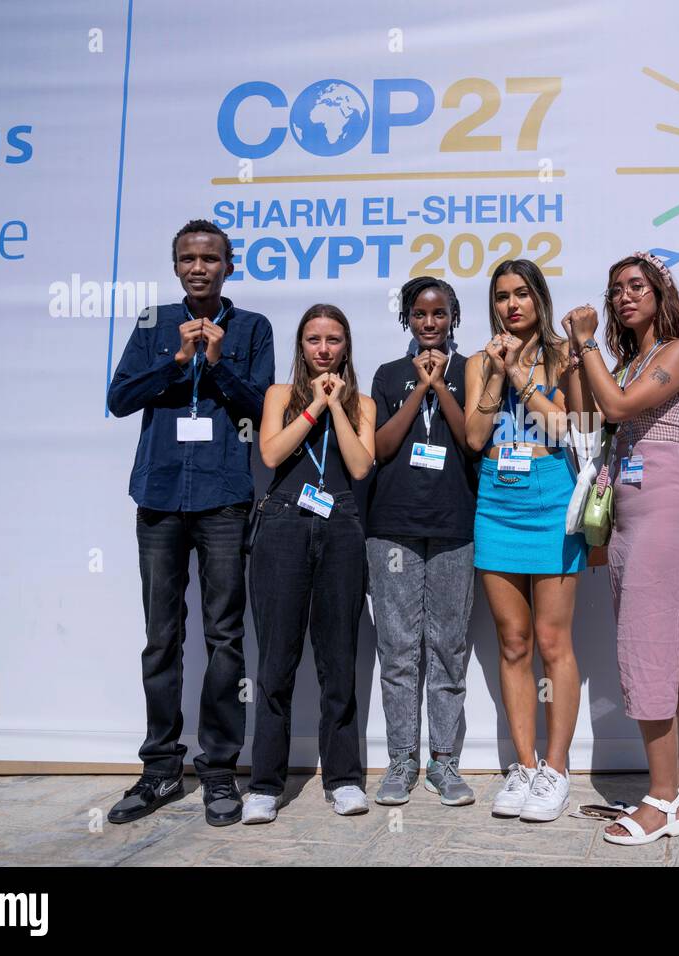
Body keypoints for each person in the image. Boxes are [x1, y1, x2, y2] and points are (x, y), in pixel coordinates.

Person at [106, 219, 274, 827]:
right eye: (187, 259)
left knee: (226, 636)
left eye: (209, 258)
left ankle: (220, 771)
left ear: (229, 265)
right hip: (158, 496)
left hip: (225, 499)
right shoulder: (153, 323)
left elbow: (263, 408)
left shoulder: (253, 328)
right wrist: (178, 363)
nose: (198, 267)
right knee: (162, 636)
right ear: (176, 266)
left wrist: (218, 362)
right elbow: (119, 398)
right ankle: (158, 770)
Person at [564, 251, 679, 845]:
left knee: (650, 646)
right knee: (643, 646)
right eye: (616, 287)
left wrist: (590, 344)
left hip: (665, 509)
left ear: (660, 292)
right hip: (624, 511)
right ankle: (666, 791)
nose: (624, 295)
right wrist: (577, 355)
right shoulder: (626, 360)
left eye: (636, 285)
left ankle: (665, 798)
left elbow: (619, 408)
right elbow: (590, 415)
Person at [240, 305, 375, 824]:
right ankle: (265, 786)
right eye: (314, 339)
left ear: (346, 347)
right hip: (282, 526)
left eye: (334, 340)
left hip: (340, 525)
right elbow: (272, 455)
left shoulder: (361, 402)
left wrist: (337, 405)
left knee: (338, 660)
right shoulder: (279, 395)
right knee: (276, 660)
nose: (323, 348)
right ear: (301, 346)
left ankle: (343, 779)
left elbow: (360, 465)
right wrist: (314, 407)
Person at [464, 258, 587, 823]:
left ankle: (557, 769)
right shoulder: (477, 360)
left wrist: (522, 378)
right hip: (496, 498)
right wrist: (495, 372)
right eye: (501, 296)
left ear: (539, 299)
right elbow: (473, 434)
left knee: (551, 640)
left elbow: (566, 426)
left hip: (552, 495)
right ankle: (524, 765)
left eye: (521, 294)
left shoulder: (564, 357)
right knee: (512, 641)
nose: (511, 305)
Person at [366, 277, 479, 807]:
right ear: (407, 319)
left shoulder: (472, 370)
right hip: (392, 525)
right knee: (399, 650)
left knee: (448, 647)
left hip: (455, 524)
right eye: (419, 314)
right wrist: (417, 388)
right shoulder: (389, 375)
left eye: (438, 314)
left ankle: (445, 762)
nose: (429, 323)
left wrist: (440, 386)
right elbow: (382, 446)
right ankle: (401, 760)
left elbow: (470, 441)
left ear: (453, 316)